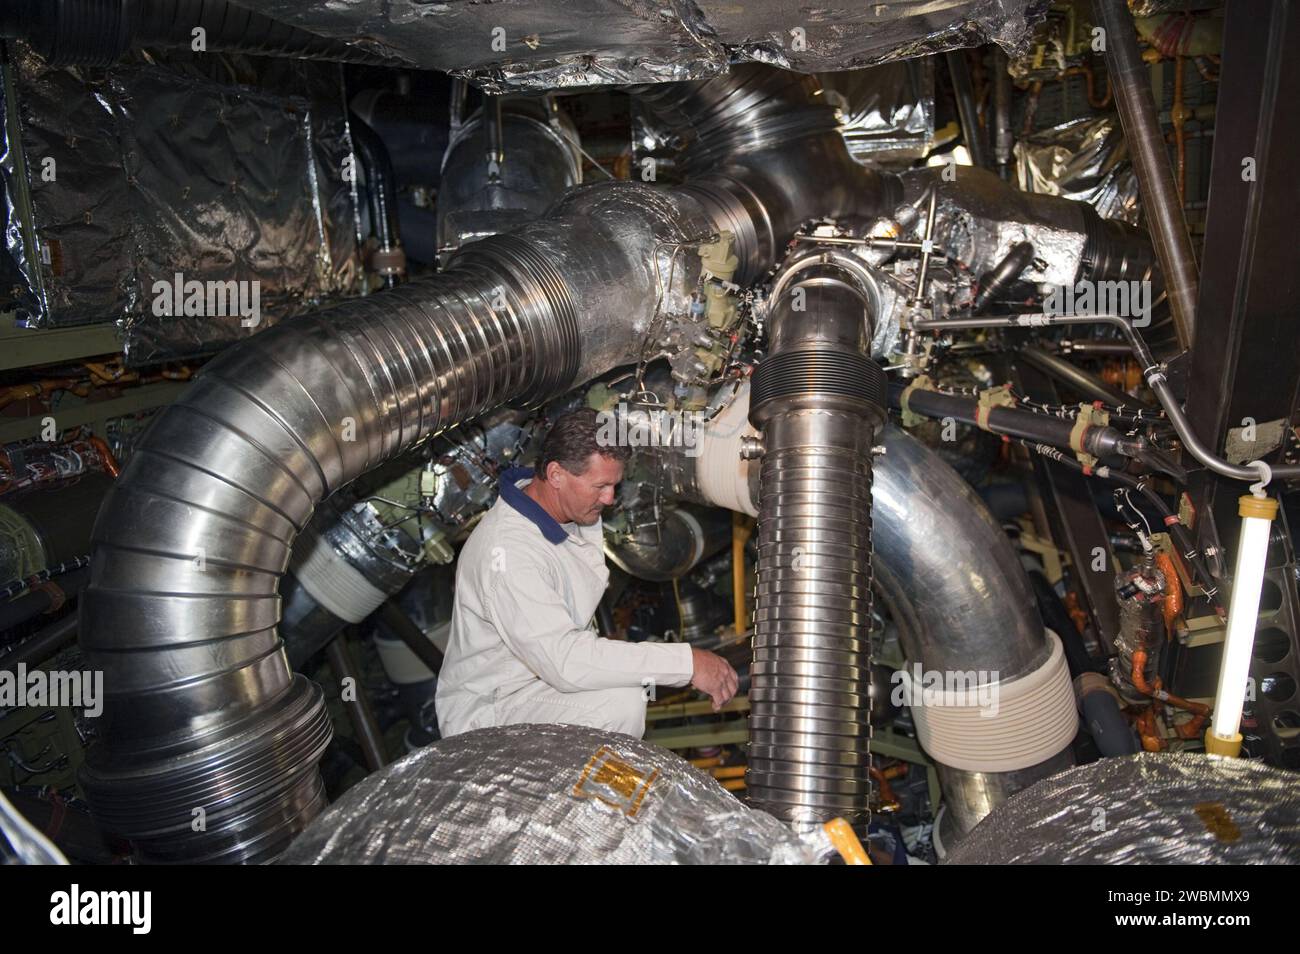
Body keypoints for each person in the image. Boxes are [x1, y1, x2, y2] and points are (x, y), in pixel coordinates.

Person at [435, 407, 739, 738]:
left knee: (622, 694)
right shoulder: (508, 554)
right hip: (492, 710)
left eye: (615, 485)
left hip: (538, 682)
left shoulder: (562, 508)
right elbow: (565, 661)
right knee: (617, 706)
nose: (609, 499)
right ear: (555, 475)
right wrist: (686, 663)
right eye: (600, 486)